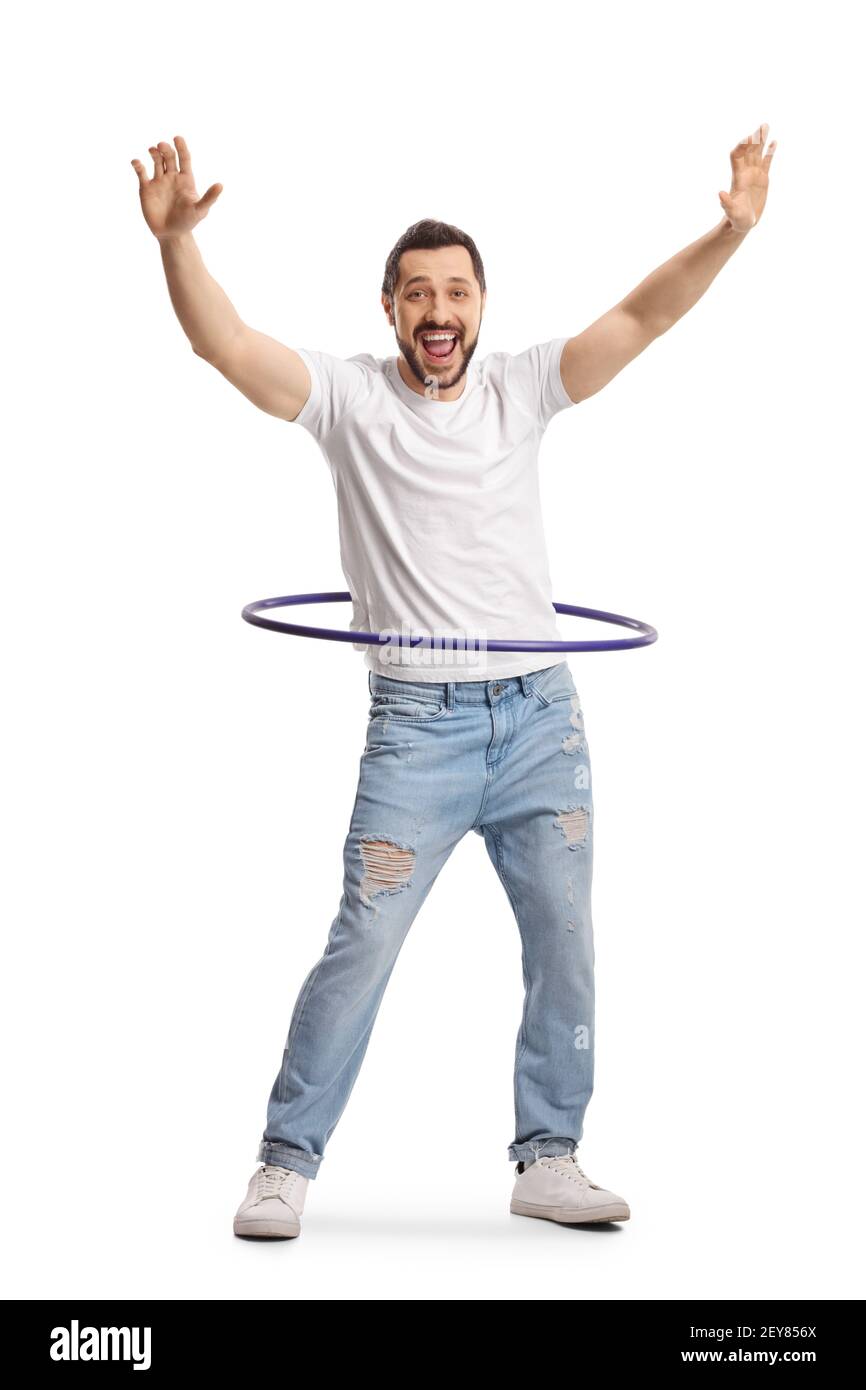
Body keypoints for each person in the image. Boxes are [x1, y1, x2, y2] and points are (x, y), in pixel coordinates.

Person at [131, 127, 777, 1239]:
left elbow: (642, 317)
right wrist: (177, 244)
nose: (439, 311)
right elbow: (225, 344)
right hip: (415, 729)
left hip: (540, 720)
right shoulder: (346, 400)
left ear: (480, 306)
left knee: (565, 941)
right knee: (364, 941)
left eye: (457, 292)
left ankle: (549, 1155)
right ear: (388, 310)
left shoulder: (522, 388)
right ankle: (285, 1160)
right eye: (417, 294)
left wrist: (728, 228)